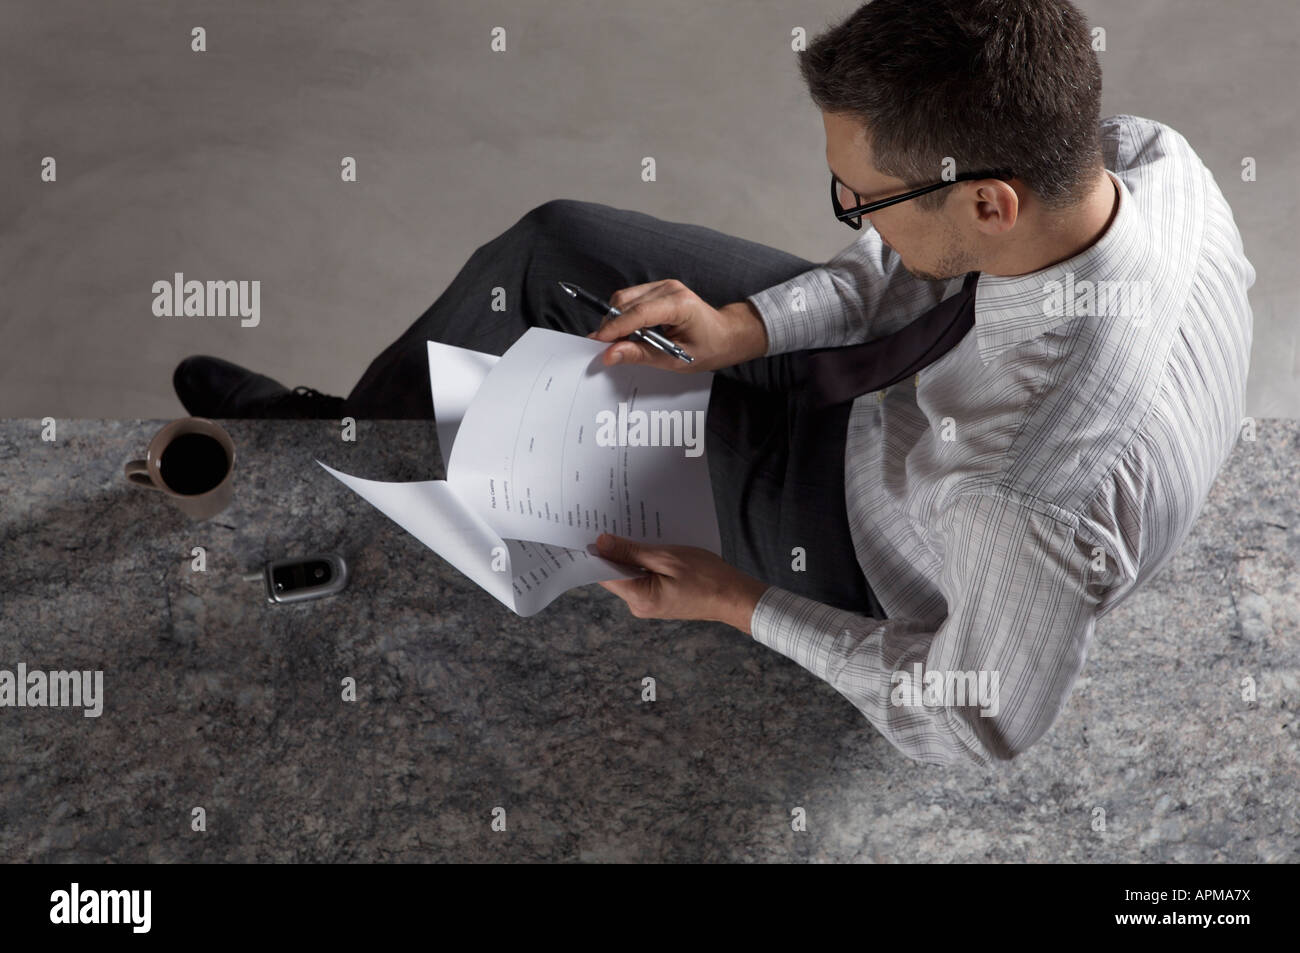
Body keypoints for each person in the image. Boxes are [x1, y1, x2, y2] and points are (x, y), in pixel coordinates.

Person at [174, 0, 1254, 766]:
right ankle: (366, 425)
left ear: (987, 205)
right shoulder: (1149, 162)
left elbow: (975, 720)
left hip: (863, 535)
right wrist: (746, 327)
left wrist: (741, 601)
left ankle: (355, 457)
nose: (855, 217)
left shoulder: (1024, 488)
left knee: (553, 421)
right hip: (896, 402)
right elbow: (910, 270)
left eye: (859, 198)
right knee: (555, 247)